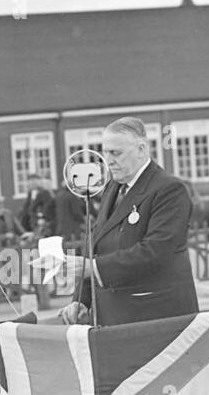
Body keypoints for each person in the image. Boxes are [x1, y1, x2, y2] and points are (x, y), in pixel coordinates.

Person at [59, 116, 198, 327]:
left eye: (116, 153)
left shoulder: (169, 190)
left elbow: (155, 251)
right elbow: (96, 245)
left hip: (155, 317)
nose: (108, 160)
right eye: (105, 152)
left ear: (142, 149)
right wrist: (81, 300)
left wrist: (94, 268)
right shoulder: (112, 188)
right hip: (116, 317)